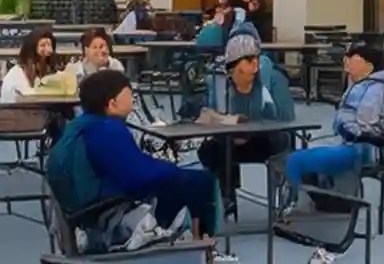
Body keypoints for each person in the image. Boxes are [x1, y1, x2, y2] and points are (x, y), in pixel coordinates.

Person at [47, 70, 221, 250]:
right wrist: (171, 169)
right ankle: (203, 245)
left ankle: (186, 237)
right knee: (198, 182)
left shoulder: (78, 127)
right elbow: (137, 176)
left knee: (177, 179)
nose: (132, 98)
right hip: (105, 203)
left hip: (82, 206)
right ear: (112, 103)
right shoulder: (107, 130)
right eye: (129, 94)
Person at [280, 44, 384, 264]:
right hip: (351, 144)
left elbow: (365, 125)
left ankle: (299, 211)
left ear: (367, 63)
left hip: (361, 148)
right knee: (303, 157)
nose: (346, 62)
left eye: (351, 57)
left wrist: (344, 125)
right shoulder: (363, 83)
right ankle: (310, 207)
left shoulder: (376, 87)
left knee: (296, 160)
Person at [199, 34, 296, 206]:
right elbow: (208, 114)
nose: (255, 64)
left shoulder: (273, 80)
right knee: (209, 150)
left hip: (269, 139)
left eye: (256, 58)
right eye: (249, 60)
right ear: (234, 66)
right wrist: (224, 122)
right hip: (232, 140)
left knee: (279, 141)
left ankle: (283, 199)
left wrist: (249, 130)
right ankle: (227, 197)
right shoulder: (221, 83)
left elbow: (287, 119)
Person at [1, 27, 60, 102]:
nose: (48, 49)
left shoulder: (48, 67)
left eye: (49, 45)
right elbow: (30, 96)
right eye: (42, 45)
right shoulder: (17, 74)